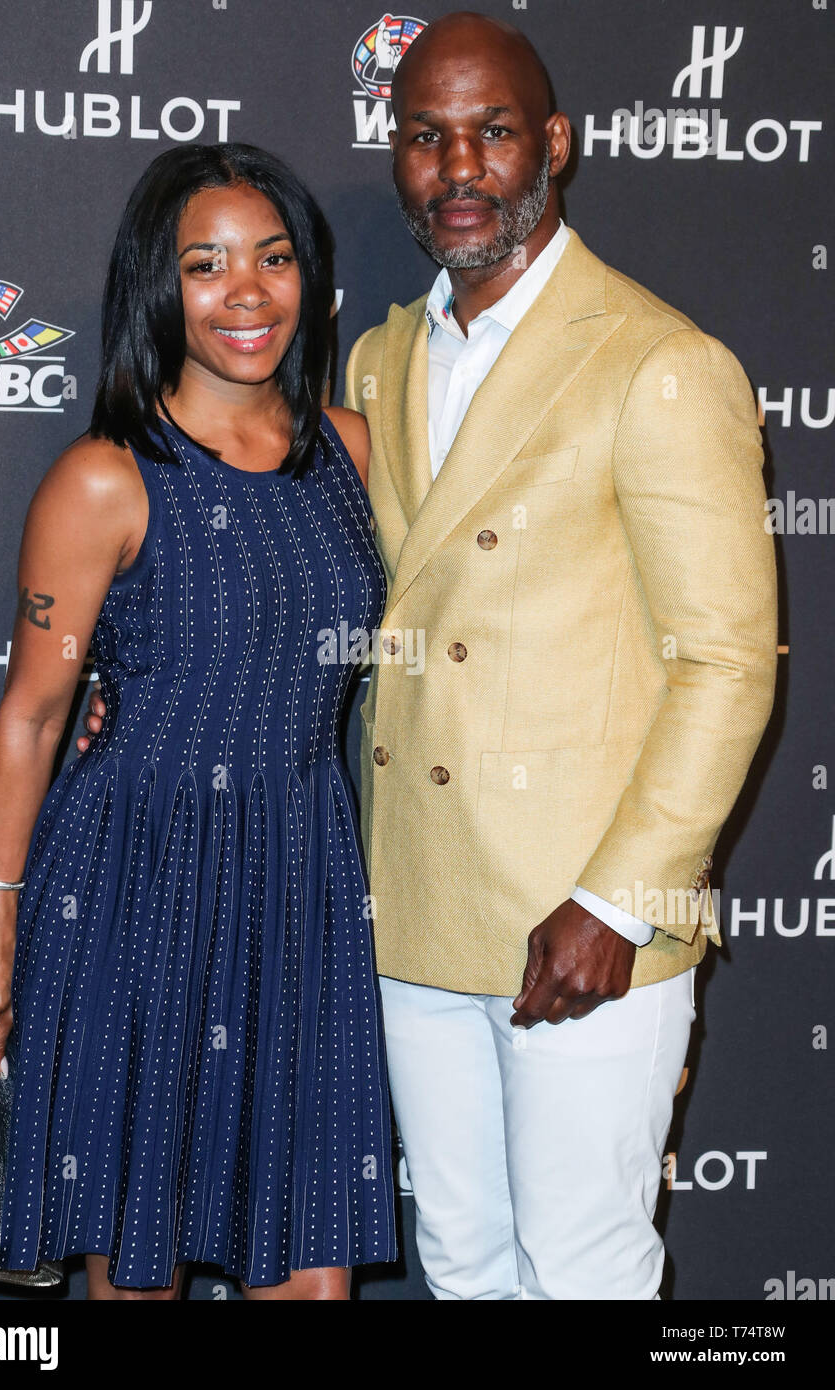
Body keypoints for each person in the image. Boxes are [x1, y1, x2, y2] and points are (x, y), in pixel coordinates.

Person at [342, 12, 777, 1299]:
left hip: (579, 920)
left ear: (556, 145)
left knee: (582, 1268)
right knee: (464, 1261)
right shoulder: (377, 362)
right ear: (396, 155)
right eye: (427, 136)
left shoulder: (658, 362)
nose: (458, 164)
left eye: (490, 131)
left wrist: (619, 902)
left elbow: (726, 660)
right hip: (415, 910)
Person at [0, 142, 396, 1301]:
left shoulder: (354, 450)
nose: (247, 292)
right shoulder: (106, 477)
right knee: (135, 1269)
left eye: (274, 258)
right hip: (140, 879)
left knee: (309, 1269)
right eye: (207, 264)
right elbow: (32, 720)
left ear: (310, 277)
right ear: (159, 284)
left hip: (299, 885)